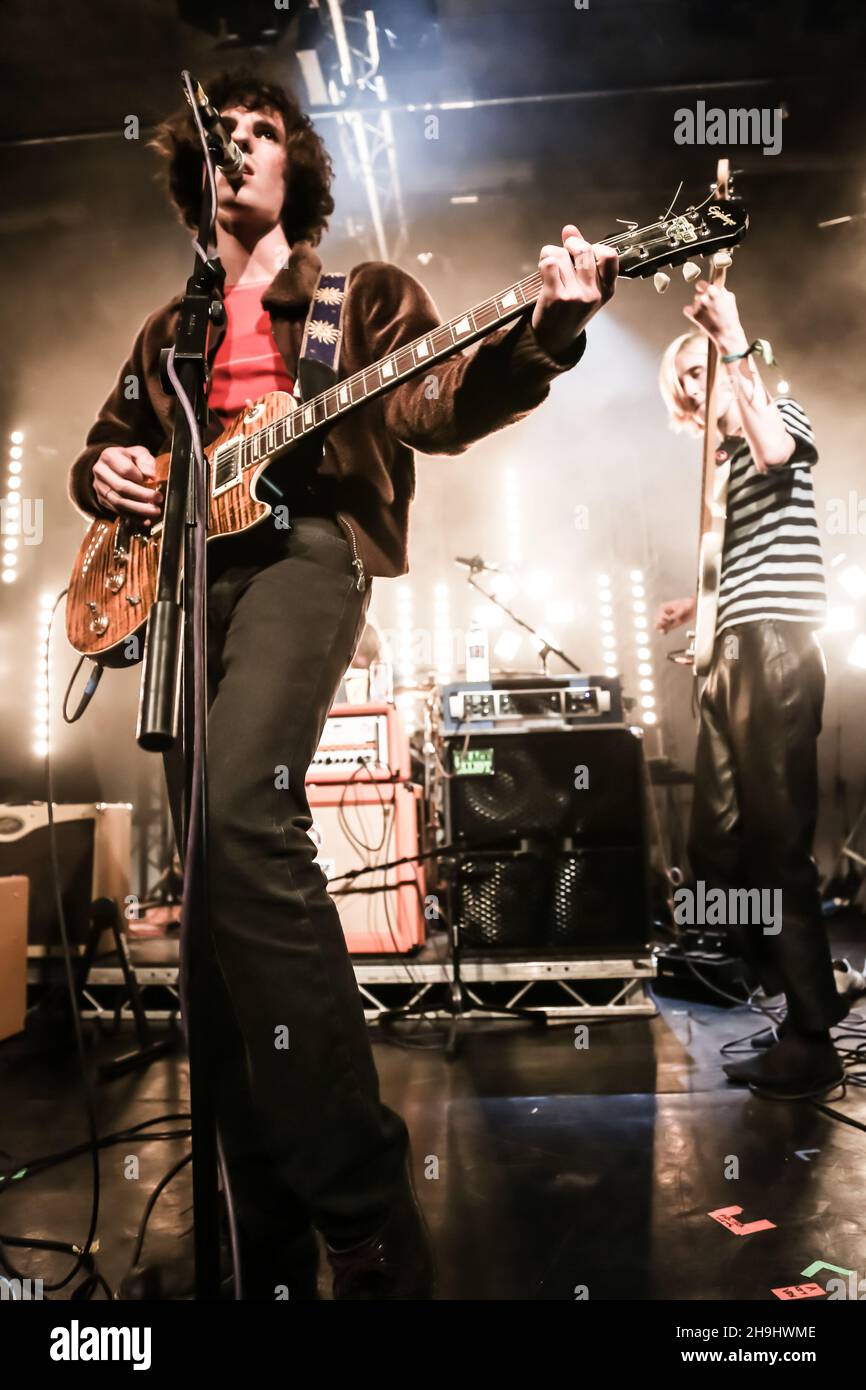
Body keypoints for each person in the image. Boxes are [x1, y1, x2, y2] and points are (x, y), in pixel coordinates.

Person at [68, 71, 617, 1299]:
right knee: (209, 892)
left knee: (248, 816)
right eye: (224, 138)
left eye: (262, 134)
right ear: (195, 176)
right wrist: (100, 470)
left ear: (295, 167)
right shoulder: (173, 329)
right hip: (178, 589)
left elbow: (431, 404)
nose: (240, 150)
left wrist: (548, 330)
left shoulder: (361, 297)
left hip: (306, 555)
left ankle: (362, 1207)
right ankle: (254, 1234)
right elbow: (103, 449)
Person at [655, 281, 846, 1101]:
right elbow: (740, 555)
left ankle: (813, 1034)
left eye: (702, 371)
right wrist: (698, 608)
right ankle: (800, 995)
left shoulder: (782, 418)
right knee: (718, 851)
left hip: (775, 651)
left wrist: (731, 333)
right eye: (685, 381)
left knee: (775, 843)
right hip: (731, 652)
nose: (697, 387)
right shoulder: (721, 473)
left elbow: (777, 454)